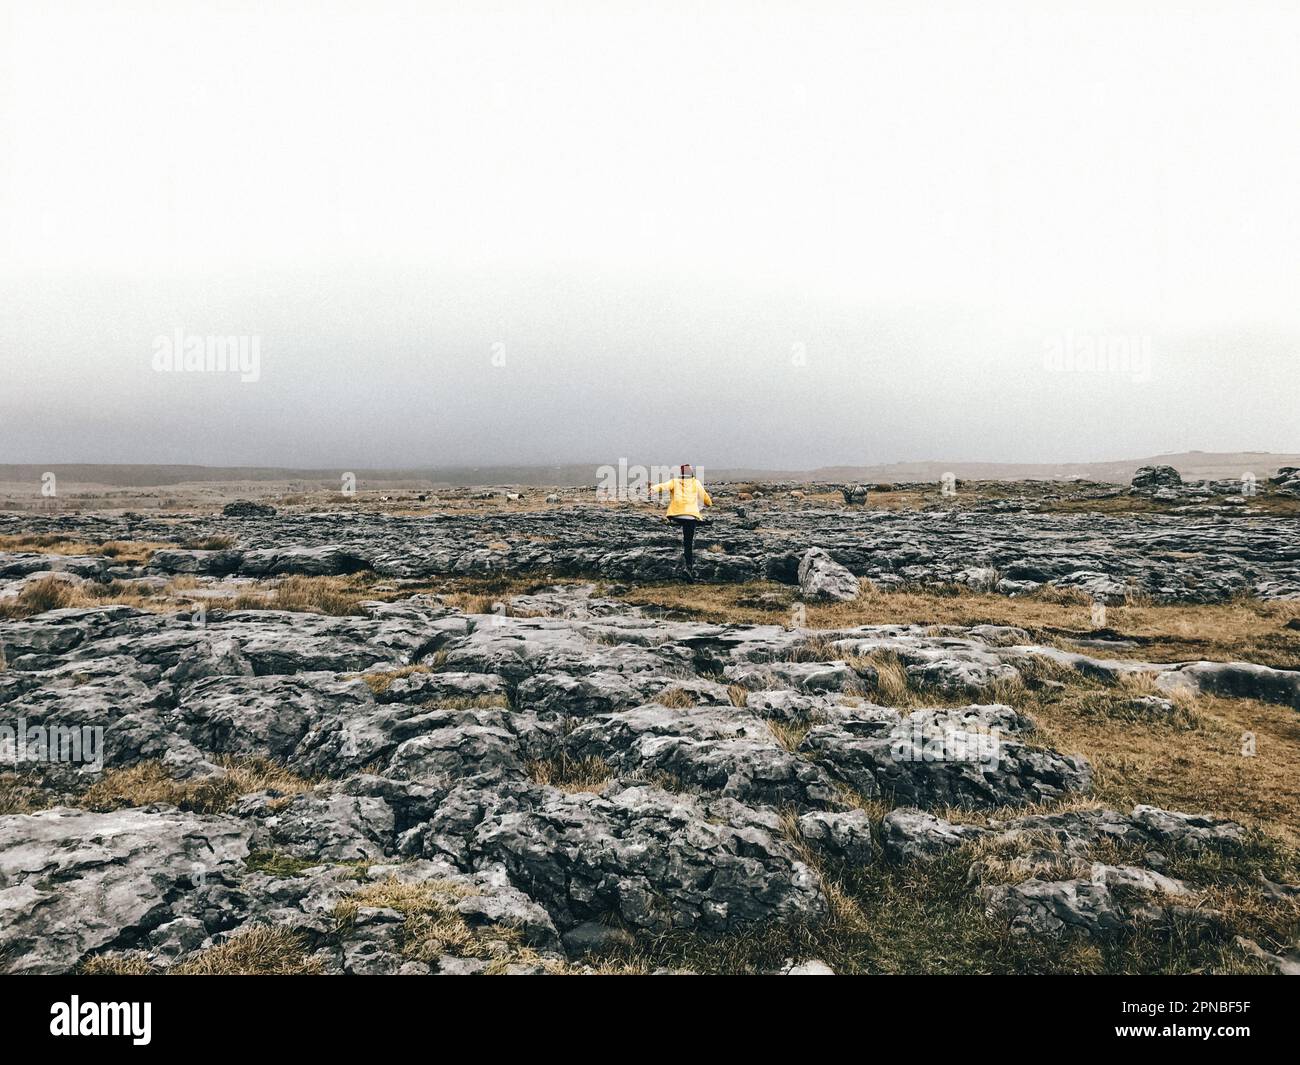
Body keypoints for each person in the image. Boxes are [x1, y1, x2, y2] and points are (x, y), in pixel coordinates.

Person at [648, 464, 713, 578]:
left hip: (675, 515)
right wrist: (709, 504)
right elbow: (706, 500)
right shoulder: (696, 483)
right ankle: (689, 568)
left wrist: (653, 489)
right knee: (688, 543)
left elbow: (663, 486)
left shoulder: (674, 481)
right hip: (691, 516)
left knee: (683, 529)